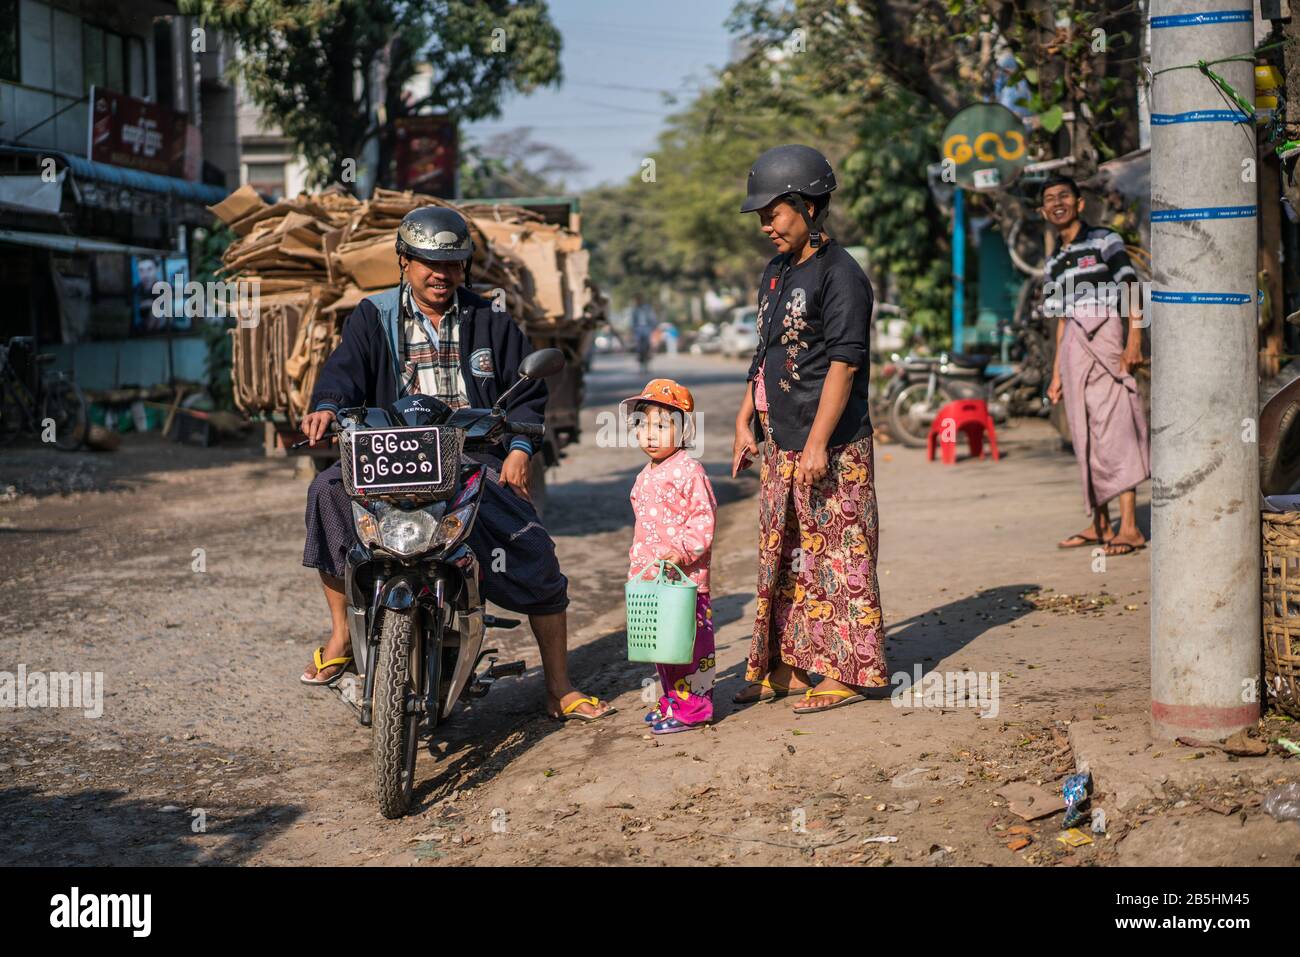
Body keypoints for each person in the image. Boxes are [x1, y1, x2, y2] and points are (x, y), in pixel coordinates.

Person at [298, 205, 613, 723]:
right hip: (389, 454)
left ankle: (558, 686)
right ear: (403, 260)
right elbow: (342, 374)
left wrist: (519, 450)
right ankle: (341, 636)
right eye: (428, 263)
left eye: (453, 265)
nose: (441, 275)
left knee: (534, 552)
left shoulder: (490, 317)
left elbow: (527, 390)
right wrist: (327, 406)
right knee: (327, 491)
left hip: (471, 456)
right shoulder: (372, 316)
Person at [729, 144, 888, 714]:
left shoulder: (841, 275)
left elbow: (844, 363)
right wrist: (746, 418)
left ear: (806, 205)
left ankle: (844, 672)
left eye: (773, 213)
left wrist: (819, 443)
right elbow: (765, 352)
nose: (765, 226)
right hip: (780, 441)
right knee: (786, 555)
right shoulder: (775, 273)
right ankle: (793, 666)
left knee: (839, 558)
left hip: (833, 445)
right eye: (763, 217)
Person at [1041, 175, 1150, 556]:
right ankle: (1100, 524)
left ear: (1079, 203)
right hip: (1072, 346)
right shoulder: (1053, 262)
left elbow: (1131, 286)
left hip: (1107, 337)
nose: (1058, 203)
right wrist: (1055, 375)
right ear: (1043, 211)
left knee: (1116, 429)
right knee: (1084, 435)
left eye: (1064, 196)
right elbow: (1060, 322)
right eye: (1050, 199)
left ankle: (1131, 528)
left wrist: (1134, 340)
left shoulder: (1105, 239)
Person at [622, 379, 717, 734]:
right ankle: (673, 698)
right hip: (651, 580)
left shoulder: (690, 471)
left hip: (686, 581)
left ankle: (695, 707)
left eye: (662, 426)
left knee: (689, 646)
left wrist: (681, 552)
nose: (650, 434)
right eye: (643, 425)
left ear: (684, 429)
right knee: (662, 646)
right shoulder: (643, 477)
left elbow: (703, 520)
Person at [631, 296, 657, 372]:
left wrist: (653, 327)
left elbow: (652, 318)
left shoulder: (647, 308)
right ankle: (641, 365)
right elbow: (632, 321)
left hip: (647, 328)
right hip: (638, 329)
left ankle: (647, 365)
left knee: (647, 347)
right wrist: (633, 330)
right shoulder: (635, 309)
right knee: (639, 348)